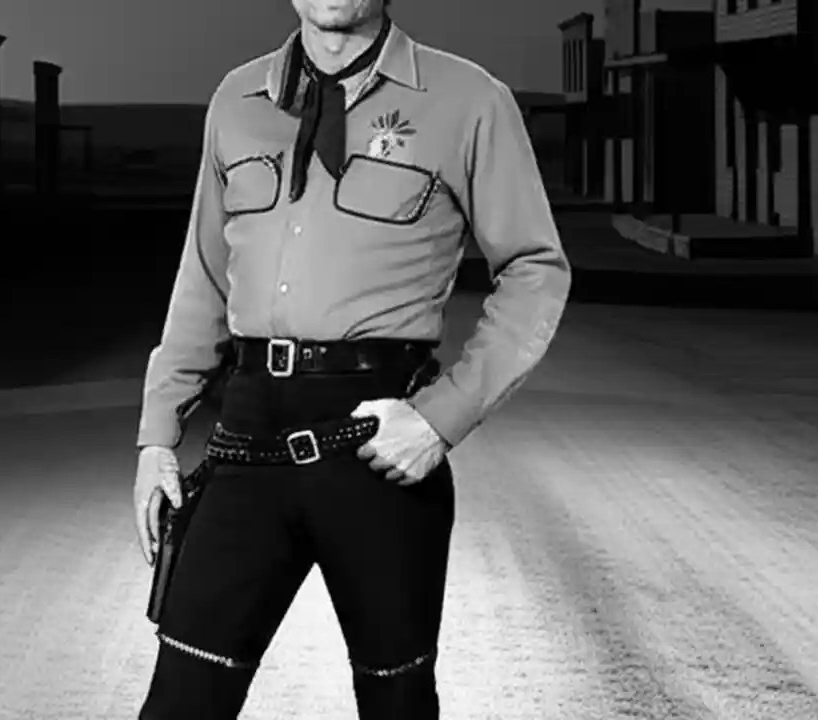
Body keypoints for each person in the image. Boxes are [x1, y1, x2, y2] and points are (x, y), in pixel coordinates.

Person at [132, 0, 571, 717]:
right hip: (246, 441)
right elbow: (204, 278)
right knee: (182, 699)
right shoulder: (237, 101)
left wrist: (440, 419)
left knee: (395, 703)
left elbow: (536, 269)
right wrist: (157, 436)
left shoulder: (469, 101)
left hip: (378, 445)